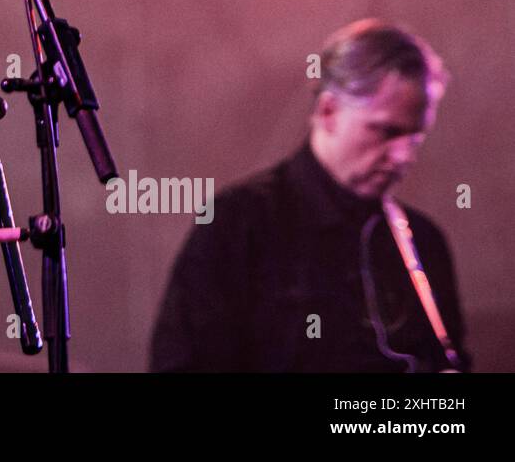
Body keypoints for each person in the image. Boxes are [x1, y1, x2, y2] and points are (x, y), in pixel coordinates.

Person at [150, 19, 470, 372]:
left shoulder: (424, 240)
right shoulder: (238, 225)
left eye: (414, 137)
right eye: (385, 131)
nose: (403, 156)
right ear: (328, 111)